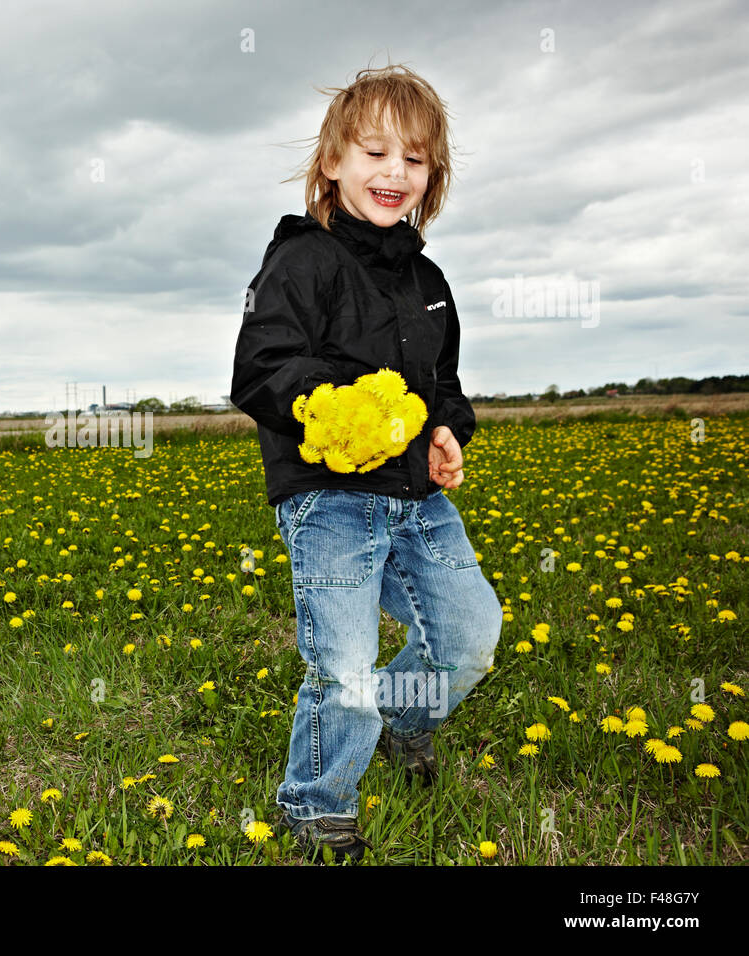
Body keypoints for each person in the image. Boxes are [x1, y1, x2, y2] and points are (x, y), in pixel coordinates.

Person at [230, 64, 502, 864]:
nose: (394, 173)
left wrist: (449, 431)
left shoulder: (429, 282)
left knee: (470, 637)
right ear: (333, 163)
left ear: (433, 176)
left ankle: (402, 718)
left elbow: (441, 389)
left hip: (416, 497)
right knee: (340, 665)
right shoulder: (300, 262)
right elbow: (261, 370)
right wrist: (348, 409)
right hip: (329, 500)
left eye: (414, 159)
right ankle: (316, 804)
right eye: (375, 152)